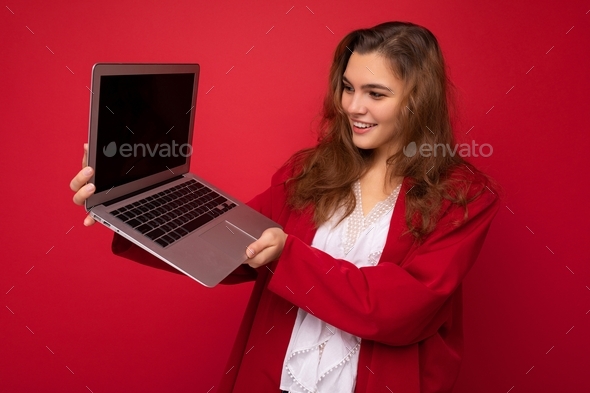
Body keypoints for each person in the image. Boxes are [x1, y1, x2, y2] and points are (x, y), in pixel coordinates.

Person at [70, 21, 500, 393]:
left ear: (416, 100)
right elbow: (232, 244)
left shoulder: (463, 196)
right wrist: (127, 205)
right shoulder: (311, 171)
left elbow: (405, 308)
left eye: (376, 93)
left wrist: (287, 255)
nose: (353, 106)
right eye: (348, 88)